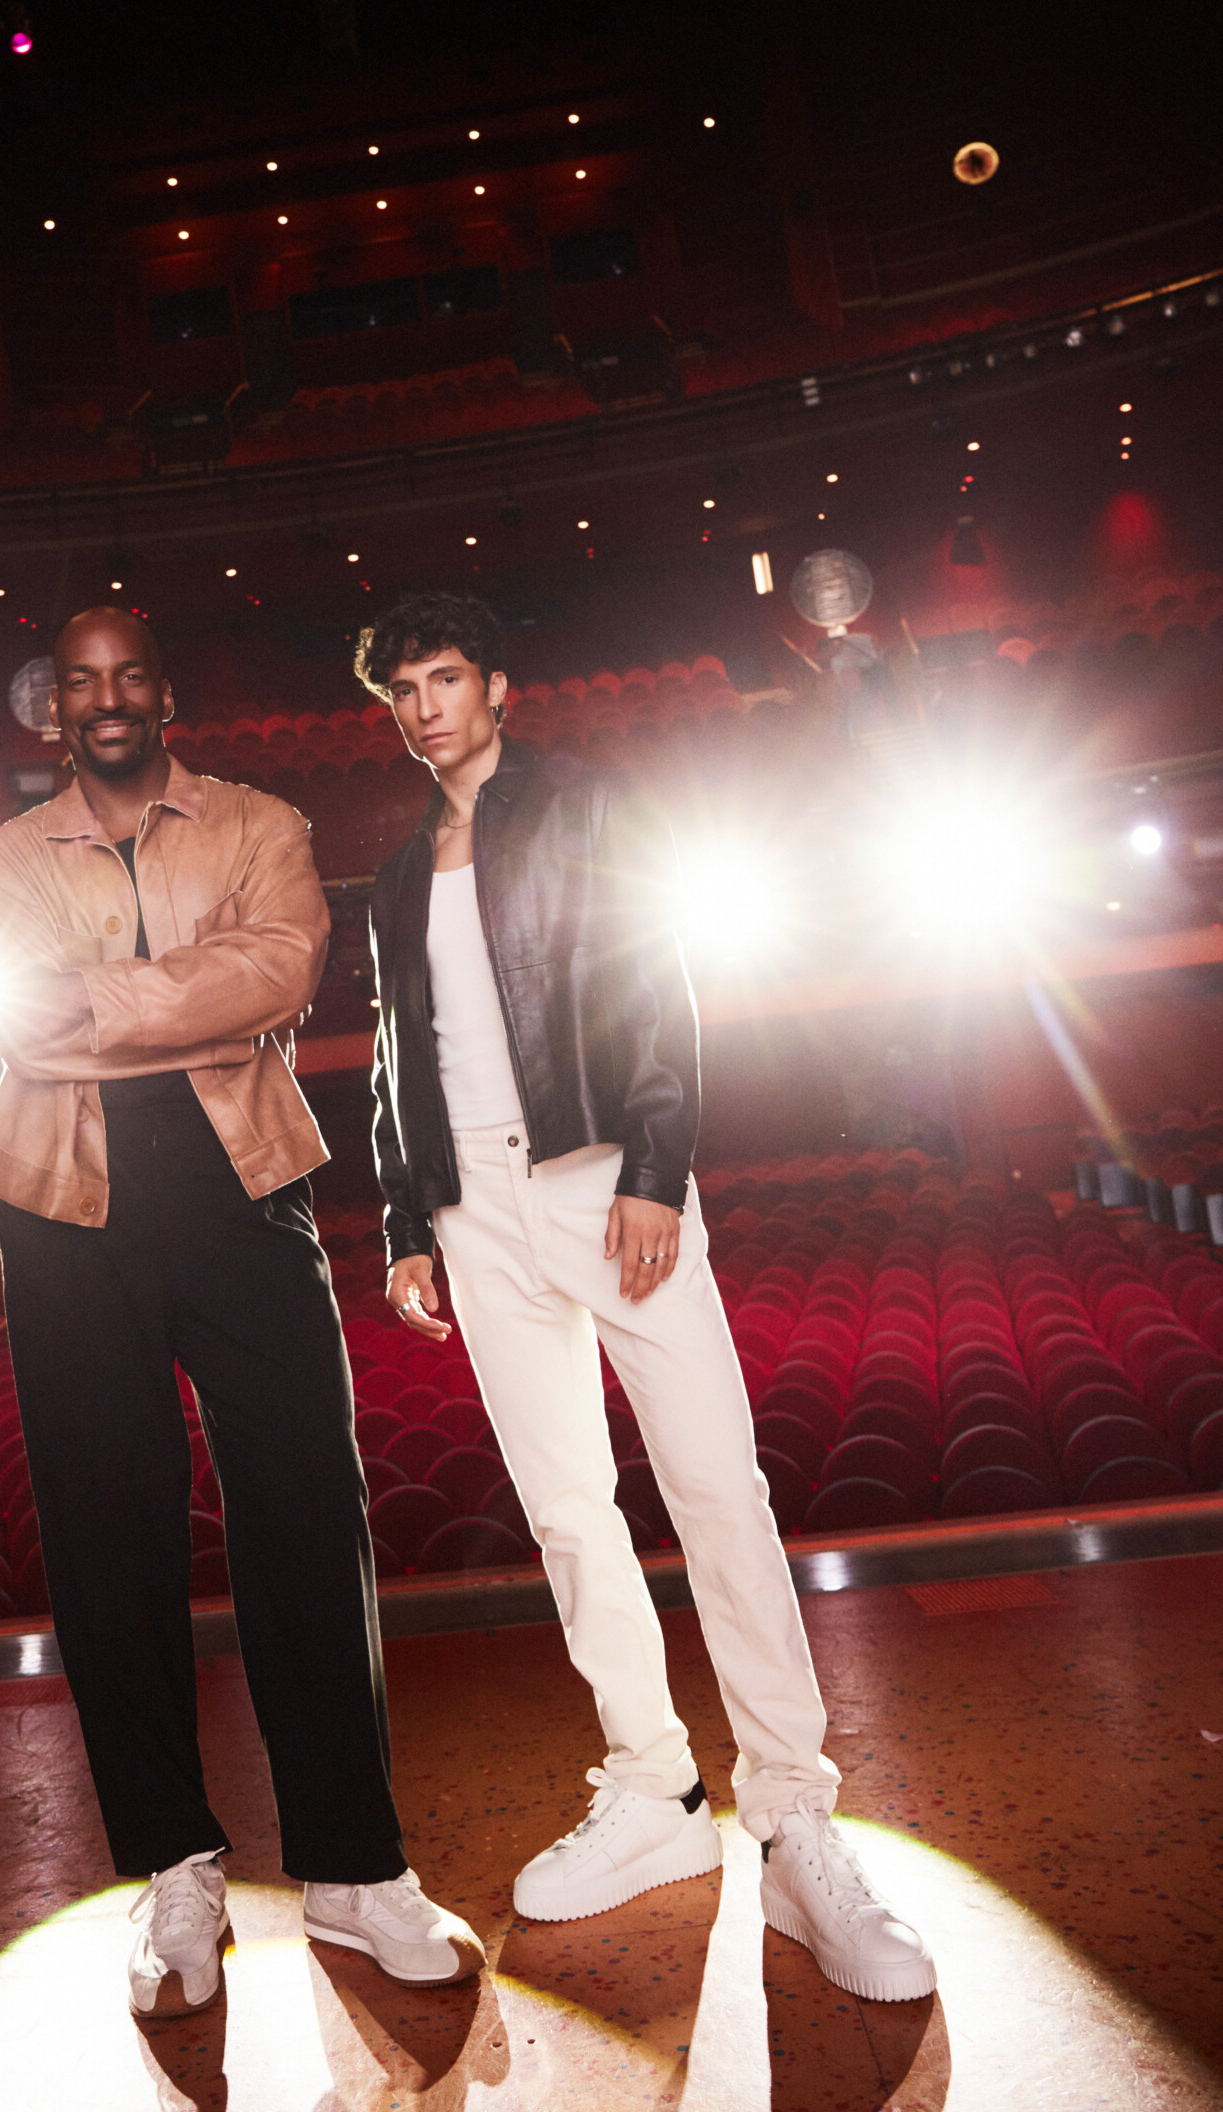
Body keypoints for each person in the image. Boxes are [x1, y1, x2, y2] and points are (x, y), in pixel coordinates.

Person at [357, 590, 934, 2004]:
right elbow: (399, 1052)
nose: (429, 706)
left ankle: (794, 1811)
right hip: (473, 1208)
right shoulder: (390, 872)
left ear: (495, 683)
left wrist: (657, 1172)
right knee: (566, 1511)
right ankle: (657, 1792)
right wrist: (405, 1219)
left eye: (446, 677)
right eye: (404, 690)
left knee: (713, 1485)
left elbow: (655, 987)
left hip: (601, 1170)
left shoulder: (589, 803)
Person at [0, 606, 483, 2020]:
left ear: (168, 693)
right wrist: (180, 1004)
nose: (109, 698)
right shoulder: (9, 857)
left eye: (132, 673)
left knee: (308, 1511)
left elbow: (284, 971)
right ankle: (174, 1871)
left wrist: (102, 1005)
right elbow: (15, 1019)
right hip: (60, 1208)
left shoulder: (258, 819)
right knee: (106, 1531)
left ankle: (354, 1869)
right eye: (83, 682)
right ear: (54, 710)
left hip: (247, 1187)